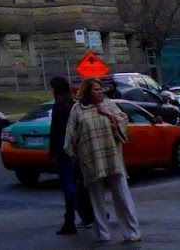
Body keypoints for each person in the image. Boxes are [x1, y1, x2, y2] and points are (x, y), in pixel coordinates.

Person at [65, 77, 140, 244]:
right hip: (90, 157)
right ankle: (102, 233)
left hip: (112, 155)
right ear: (87, 91)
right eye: (96, 90)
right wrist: (72, 151)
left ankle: (131, 232)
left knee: (121, 194)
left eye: (101, 90)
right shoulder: (78, 109)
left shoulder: (108, 105)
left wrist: (109, 115)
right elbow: (70, 133)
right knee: (96, 197)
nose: (100, 93)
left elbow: (123, 121)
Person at [47, 75, 93, 235]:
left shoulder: (59, 107)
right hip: (76, 150)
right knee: (79, 183)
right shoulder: (73, 105)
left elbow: (55, 130)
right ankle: (87, 214)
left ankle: (71, 220)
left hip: (64, 151)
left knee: (69, 186)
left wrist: (52, 151)